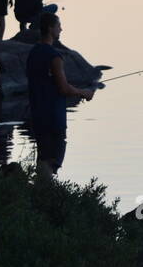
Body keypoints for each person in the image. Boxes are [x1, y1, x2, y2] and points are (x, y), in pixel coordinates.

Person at [26, 10, 94, 177]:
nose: (61, 29)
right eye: (58, 26)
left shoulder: (33, 53)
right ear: (50, 29)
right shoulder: (54, 57)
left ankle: (41, 193)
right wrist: (84, 92)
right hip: (53, 117)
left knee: (43, 158)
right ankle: (46, 196)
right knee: (51, 161)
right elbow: (64, 88)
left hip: (37, 114)